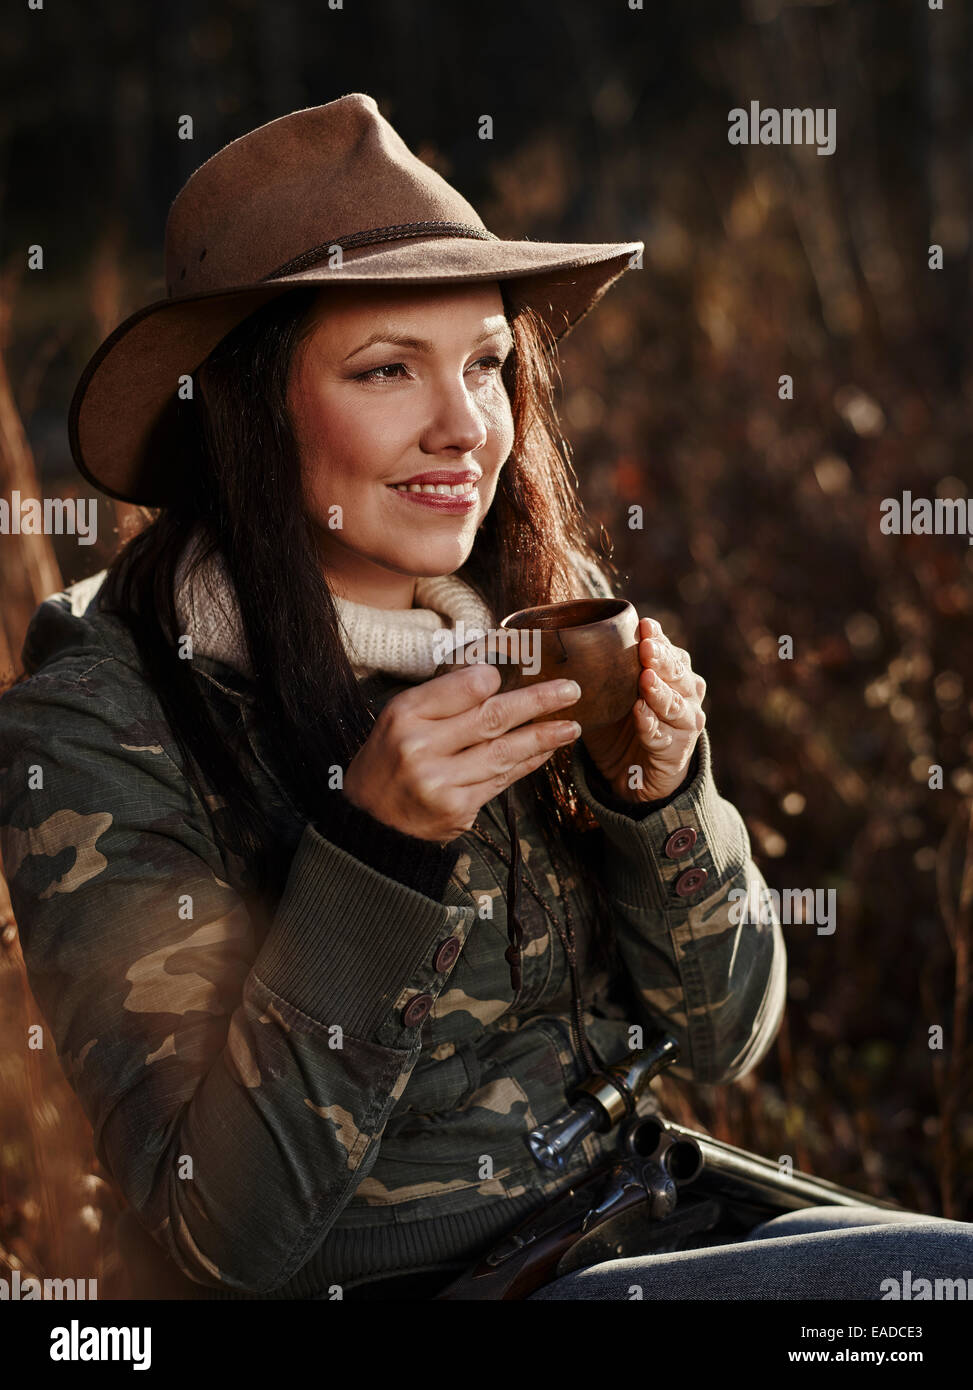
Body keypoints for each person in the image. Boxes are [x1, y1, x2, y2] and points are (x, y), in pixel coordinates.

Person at [1, 93, 968, 1303]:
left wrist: (660, 797)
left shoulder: (528, 612)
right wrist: (375, 848)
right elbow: (219, 1235)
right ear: (246, 408)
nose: (466, 426)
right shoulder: (106, 719)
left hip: (650, 1208)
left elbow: (724, 1040)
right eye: (387, 368)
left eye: (488, 364)